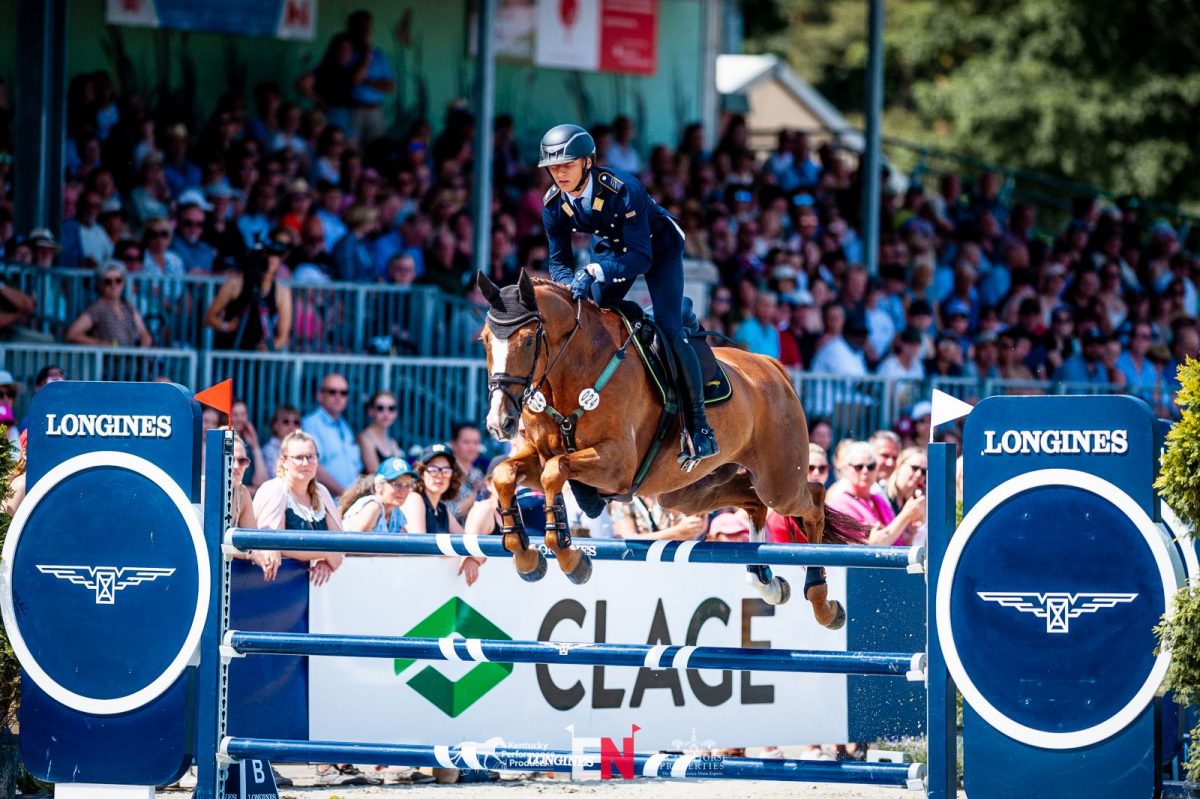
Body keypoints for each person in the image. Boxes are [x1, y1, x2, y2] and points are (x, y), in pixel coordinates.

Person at [539, 123, 717, 466]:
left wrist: (593, 271)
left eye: (567, 165)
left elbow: (640, 256)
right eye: (553, 166)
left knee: (668, 325)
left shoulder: (623, 189)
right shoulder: (552, 204)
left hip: (656, 248)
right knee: (592, 313)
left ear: (588, 162)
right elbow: (558, 262)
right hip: (609, 249)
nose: (559, 173)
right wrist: (567, 290)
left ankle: (699, 425)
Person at [251, 430, 345, 586]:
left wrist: (325, 562)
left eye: (310, 457)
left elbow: (340, 547)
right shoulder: (274, 490)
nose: (305, 463)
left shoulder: (321, 492)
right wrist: (325, 552)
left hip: (313, 591)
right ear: (283, 461)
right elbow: (273, 544)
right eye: (298, 457)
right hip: (274, 584)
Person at [400, 444, 482, 583]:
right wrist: (463, 553)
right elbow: (420, 547)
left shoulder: (442, 509)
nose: (440, 476)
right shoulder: (415, 499)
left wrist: (470, 557)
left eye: (446, 470)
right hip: (411, 581)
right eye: (433, 469)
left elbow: (470, 544)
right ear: (421, 473)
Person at [826, 441, 924, 546]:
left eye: (871, 466)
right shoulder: (840, 505)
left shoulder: (878, 499)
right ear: (846, 469)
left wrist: (910, 534)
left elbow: (897, 543)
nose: (865, 471)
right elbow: (872, 547)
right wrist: (907, 514)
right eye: (859, 467)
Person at [204, 239, 293, 351]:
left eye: (275, 257)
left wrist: (270, 347)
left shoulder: (282, 292)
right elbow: (209, 317)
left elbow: (283, 335)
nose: (270, 260)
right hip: (231, 352)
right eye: (266, 256)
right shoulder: (236, 284)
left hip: (257, 359)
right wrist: (226, 327)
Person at [302, 373, 363, 497]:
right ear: (320, 396)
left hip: (349, 501)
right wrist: (345, 495)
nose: (338, 396)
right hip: (325, 502)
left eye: (343, 393)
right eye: (332, 392)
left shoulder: (345, 426)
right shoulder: (310, 424)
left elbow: (354, 467)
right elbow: (314, 467)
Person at [64, 261, 152, 347]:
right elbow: (72, 334)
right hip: (109, 360)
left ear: (123, 283)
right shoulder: (98, 308)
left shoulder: (128, 307)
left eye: (118, 280)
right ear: (100, 284)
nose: (114, 285)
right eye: (108, 281)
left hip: (132, 360)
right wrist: (101, 344)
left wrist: (145, 341)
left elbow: (143, 332)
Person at [229, 434, 280, 580]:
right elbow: (209, 545)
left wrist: (270, 548)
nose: (236, 466)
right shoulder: (202, 490)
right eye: (229, 459)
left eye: (242, 461)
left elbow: (253, 541)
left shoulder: (242, 493)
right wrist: (249, 554)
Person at [340, 456, 416, 534]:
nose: (403, 491)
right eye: (397, 485)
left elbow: (406, 542)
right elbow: (355, 542)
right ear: (379, 486)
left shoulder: (396, 513)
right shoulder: (374, 506)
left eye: (407, 485)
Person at [881, 446, 927, 547]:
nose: (919, 474)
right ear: (899, 466)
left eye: (924, 472)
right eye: (914, 468)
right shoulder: (880, 493)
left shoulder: (917, 501)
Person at [609, 495, 706, 540]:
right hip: (640, 564)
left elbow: (693, 531)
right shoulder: (623, 500)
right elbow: (629, 540)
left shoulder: (672, 495)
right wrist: (677, 531)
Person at [446, 422, 484, 524]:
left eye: (476, 442)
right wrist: (475, 496)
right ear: (453, 444)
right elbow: (444, 514)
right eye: (466, 442)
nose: (472, 447)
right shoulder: (444, 473)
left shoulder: (478, 474)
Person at [355, 390, 401, 475]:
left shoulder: (392, 443)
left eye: (391, 408)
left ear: (395, 413)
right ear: (371, 411)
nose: (386, 413)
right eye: (380, 408)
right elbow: (375, 474)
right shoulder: (365, 438)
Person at [230, 399, 266, 490]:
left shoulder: (249, 444)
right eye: (235, 415)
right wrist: (251, 490)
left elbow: (261, 482)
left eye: (243, 414)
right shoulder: (223, 441)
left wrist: (255, 446)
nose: (240, 419)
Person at [262, 404, 302, 477]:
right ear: (275, 426)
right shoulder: (269, 450)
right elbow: (278, 478)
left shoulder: (304, 449)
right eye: (286, 422)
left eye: (296, 422)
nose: (292, 427)